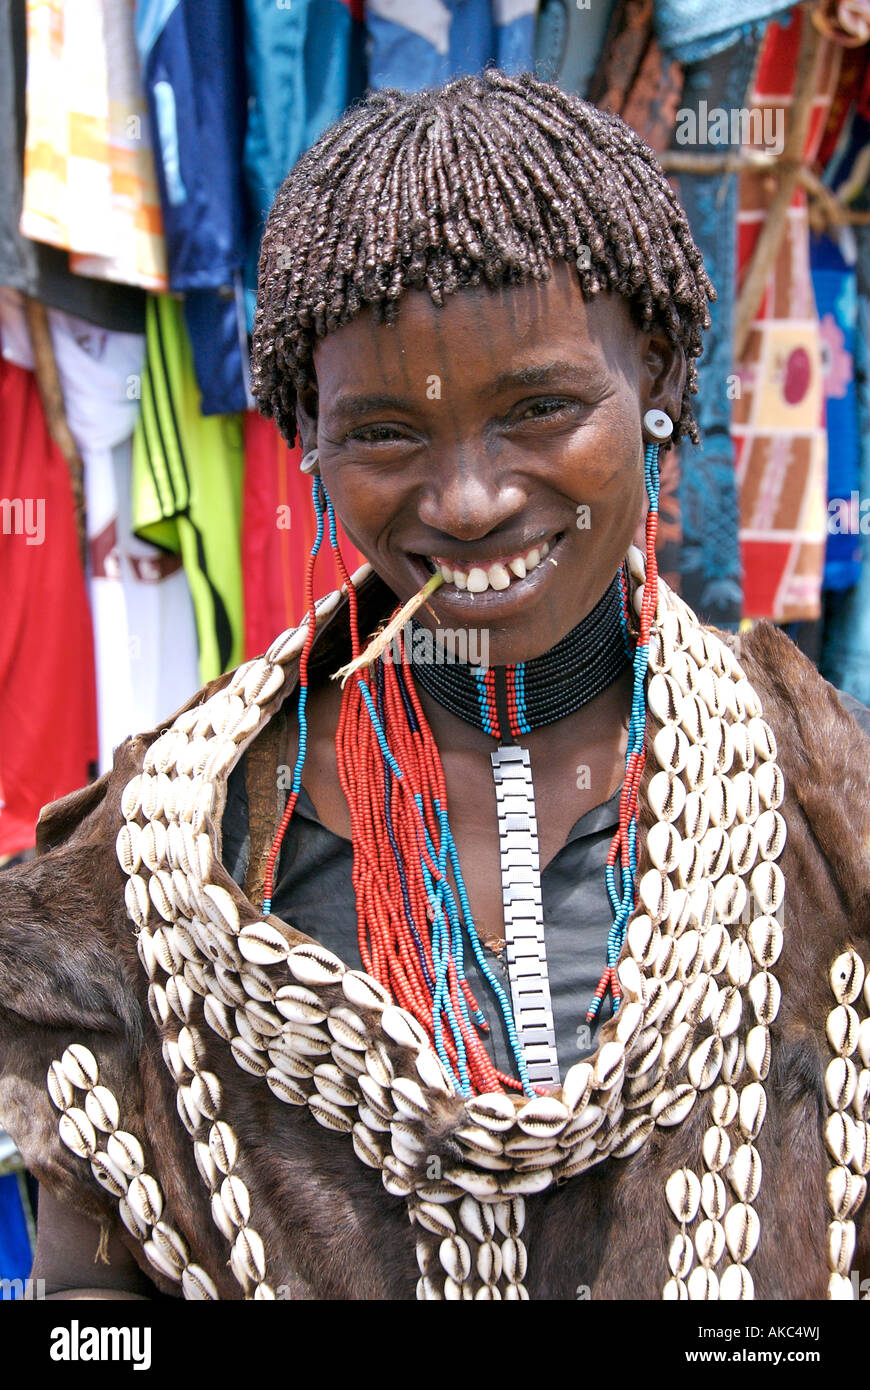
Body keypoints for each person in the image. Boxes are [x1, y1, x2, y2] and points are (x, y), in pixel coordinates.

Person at [1, 68, 869, 1302]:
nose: (468, 500)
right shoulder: (163, 858)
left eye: (543, 409)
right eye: (387, 433)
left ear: (665, 380)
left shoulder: (835, 811)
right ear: (307, 432)